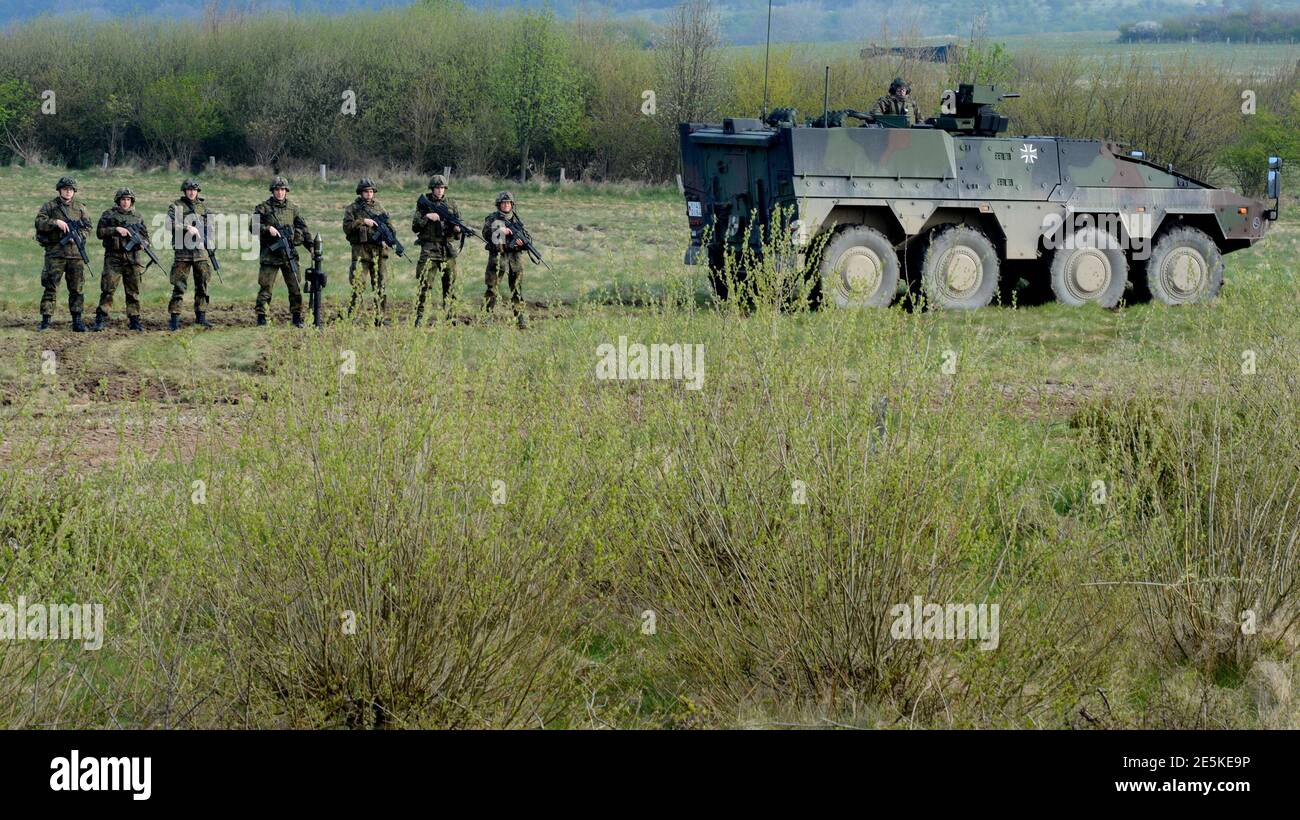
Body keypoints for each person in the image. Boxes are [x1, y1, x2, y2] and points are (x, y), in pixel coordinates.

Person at [251, 176, 311, 327]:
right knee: (266, 287)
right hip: (270, 255)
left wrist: (311, 247)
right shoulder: (263, 208)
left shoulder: (293, 208)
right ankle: (262, 318)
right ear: (272, 191)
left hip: (288, 254)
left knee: (295, 287)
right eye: (277, 190)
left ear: (286, 191)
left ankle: (297, 317)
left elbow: (303, 228)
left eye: (282, 190)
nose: (280, 193)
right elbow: (253, 227)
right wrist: (267, 228)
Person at [34, 176, 92, 331]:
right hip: (55, 253)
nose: (68, 192)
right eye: (65, 189)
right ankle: (46, 321)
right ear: (59, 190)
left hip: (75, 255)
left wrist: (78, 236)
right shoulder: (50, 206)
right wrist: (55, 223)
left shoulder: (80, 207)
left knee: (77, 289)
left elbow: (88, 227)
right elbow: (39, 222)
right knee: (50, 287)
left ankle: (77, 321)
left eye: (71, 189)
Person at [93, 187, 149, 332]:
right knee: (108, 289)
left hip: (133, 258)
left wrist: (144, 244)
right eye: (123, 199)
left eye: (128, 200)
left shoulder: (138, 216)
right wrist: (115, 229)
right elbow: (99, 232)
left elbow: (146, 236)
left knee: (133, 291)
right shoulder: (109, 214)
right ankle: (100, 319)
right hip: (114, 257)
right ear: (118, 201)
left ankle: (134, 320)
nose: (125, 202)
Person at [412, 175, 461, 325]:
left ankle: (451, 315)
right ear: (432, 189)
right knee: (424, 283)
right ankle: (420, 316)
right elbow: (415, 227)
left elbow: (458, 229)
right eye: (437, 188)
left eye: (442, 188)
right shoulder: (423, 205)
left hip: (447, 248)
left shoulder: (451, 204)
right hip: (429, 249)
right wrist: (427, 217)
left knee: (450, 283)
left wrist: (458, 230)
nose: (440, 191)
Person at [166, 179, 214, 330]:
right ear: (184, 191)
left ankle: (201, 317)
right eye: (189, 189)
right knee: (179, 287)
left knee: (202, 286)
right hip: (183, 253)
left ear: (198, 191)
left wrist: (210, 245)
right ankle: (174, 320)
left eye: (194, 189)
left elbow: (210, 228)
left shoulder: (203, 207)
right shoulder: (176, 206)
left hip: (200, 253)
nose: (192, 192)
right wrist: (187, 227)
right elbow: (169, 224)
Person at [342, 178, 390, 324]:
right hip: (361, 252)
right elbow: (347, 228)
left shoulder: (380, 208)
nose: (369, 194)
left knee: (381, 284)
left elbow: (389, 226)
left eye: (371, 191)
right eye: (366, 191)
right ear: (360, 192)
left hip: (379, 252)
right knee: (358, 283)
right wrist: (362, 221)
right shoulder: (352, 209)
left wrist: (387, 238)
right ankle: (354, 316)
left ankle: (379, 317)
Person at [482, 191, 528, 328]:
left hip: (515, 259)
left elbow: (526, 238)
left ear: (512, 205)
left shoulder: (517, 220)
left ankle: (520, 318)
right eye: (503, 203)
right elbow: (486, 233)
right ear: (499, 205)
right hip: (497, 259)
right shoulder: (492, 218)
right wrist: (499, 230)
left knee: (517, 291)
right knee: (492, 289)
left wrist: (522, 243)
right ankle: (487, 317)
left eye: (508, 203)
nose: (506, 205)